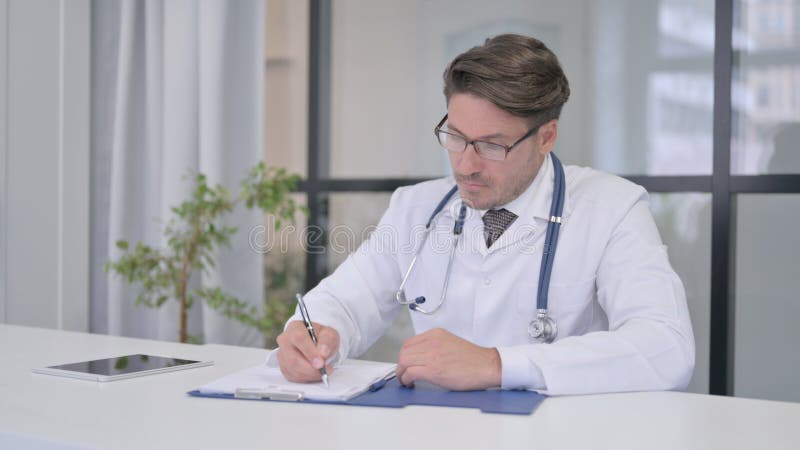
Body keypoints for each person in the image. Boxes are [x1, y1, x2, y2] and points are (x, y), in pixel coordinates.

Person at [274, 34, 695, 395]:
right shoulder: (416, 208)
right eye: (456, 137)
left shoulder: (612, 209)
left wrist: (497, 364)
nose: (466, 165)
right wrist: (315, 338)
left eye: (493, 145)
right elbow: (345, 301)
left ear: (546, 136)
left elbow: (667, 346)